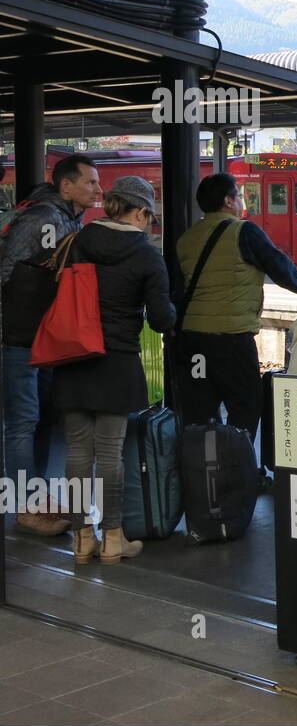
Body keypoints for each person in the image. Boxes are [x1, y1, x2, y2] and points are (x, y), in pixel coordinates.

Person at [51, 177, 174, 564]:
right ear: (139, 212)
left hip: (71, 357)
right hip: (116, 361)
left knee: (76, 452)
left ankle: (81, 538)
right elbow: (160, 319)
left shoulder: (77, 242)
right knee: (109, 454)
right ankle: (114, 539)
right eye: (148, 218)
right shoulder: (146, 254)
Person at [0, 153, 101, 536]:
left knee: (39, 417)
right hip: (19, 337)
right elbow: (7, 270)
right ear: (66, 186)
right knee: (23, 421)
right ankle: (25, 505)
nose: (97, 189)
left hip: (39, 337)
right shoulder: (43, 218)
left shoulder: (65, 218)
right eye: (90, 182)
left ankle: (34, 495)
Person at [175, 173, 297, 435]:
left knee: (201, 410)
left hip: (192, 339)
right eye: (238, 195)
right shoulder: (243, 231)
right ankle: (236, 467)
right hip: (231, 338)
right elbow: (282, 269)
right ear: (227, 200)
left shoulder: (186, 238)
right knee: (246, 403)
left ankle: (203, 469)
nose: (241, 202)